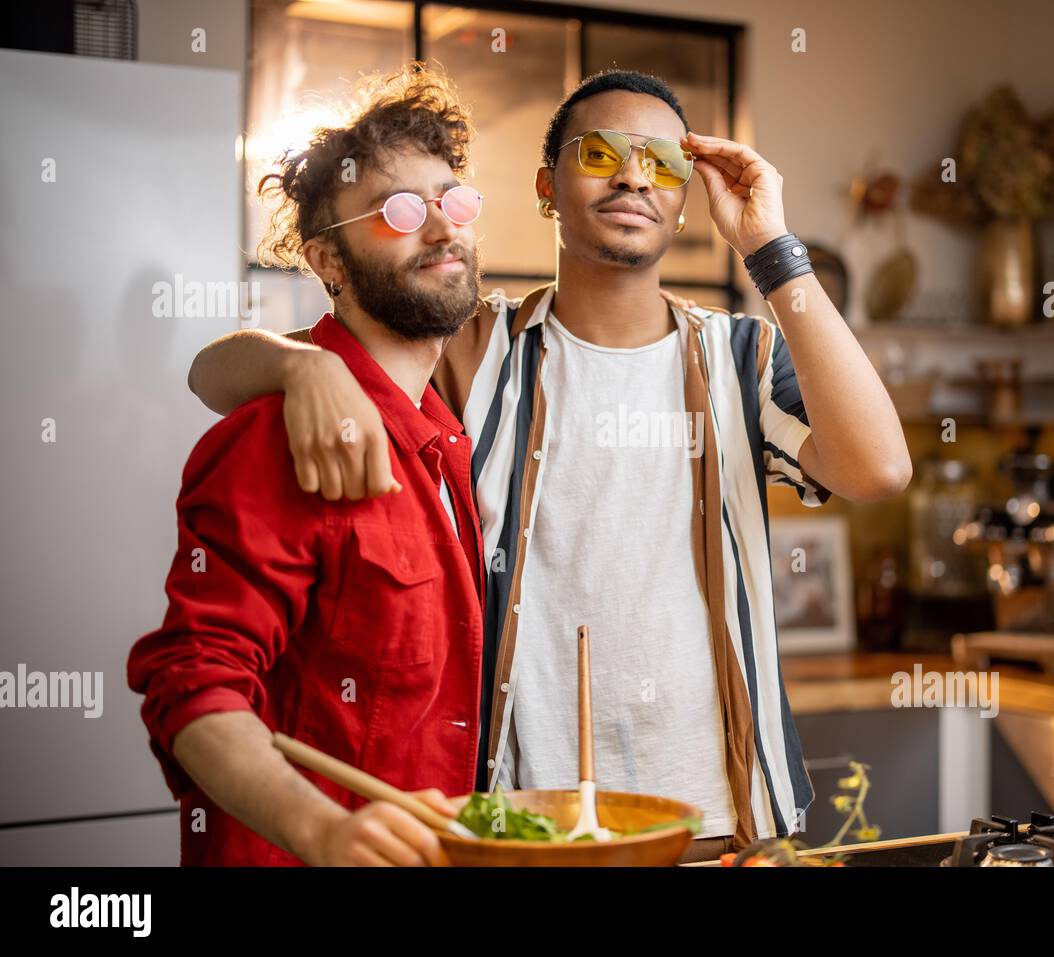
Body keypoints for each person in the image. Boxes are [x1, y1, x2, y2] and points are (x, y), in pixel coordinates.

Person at [187, 69, 912, 861]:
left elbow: (878, 468)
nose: (635, 174)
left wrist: (771, 250)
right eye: (599, 153)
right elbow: (213, 373)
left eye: (663, 161)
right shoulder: (473, 345)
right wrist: (300, 367)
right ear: (546, 186)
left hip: (719, 821)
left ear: (683, 195)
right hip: (527, 828)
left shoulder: (740, 357)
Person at [127, 66, 486, 866]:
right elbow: (192, 686)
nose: (440, 228)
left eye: (452, 200)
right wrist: (323, 828)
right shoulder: (281, 436)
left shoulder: (446, 438)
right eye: (397, 210)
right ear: (327, 261)